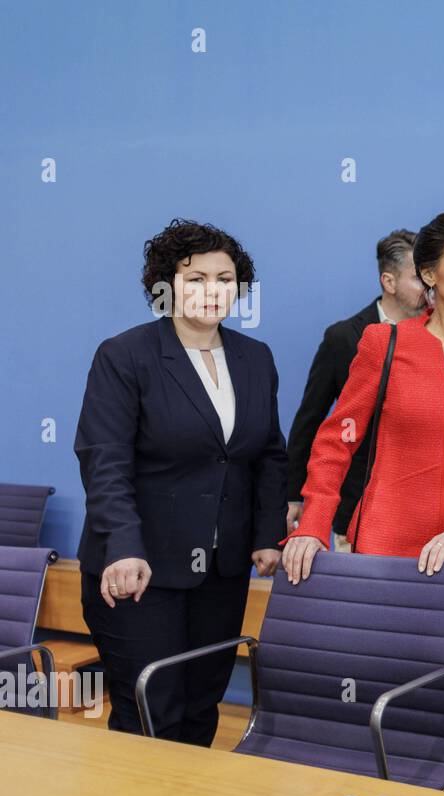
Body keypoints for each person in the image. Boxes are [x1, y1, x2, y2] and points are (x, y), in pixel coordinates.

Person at [280, 211, 444, 713]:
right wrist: (312, 524)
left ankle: (435, 783)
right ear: (428, 276)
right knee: (377, 690)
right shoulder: (384, 342)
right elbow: (335, 440)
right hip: (385, 549)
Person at [75, 218, 287, 744]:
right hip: (140, 567)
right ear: (165, 286)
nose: (212, 291)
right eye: (195, 278)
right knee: (150, 711)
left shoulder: (255, 358)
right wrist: (123, 547)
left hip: (222, 569)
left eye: (224, 278)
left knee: (200, 707)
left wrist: (265, 535)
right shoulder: (125, 356)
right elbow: (104, 460)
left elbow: (268, 454)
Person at [285, 229, 427, 550]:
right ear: (389, 282)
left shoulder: (440, 337)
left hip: (422, 512)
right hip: (356, 509)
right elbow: (311, 419)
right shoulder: (343, 338)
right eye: (419, 279)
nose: (430, 288)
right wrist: (293, 494)